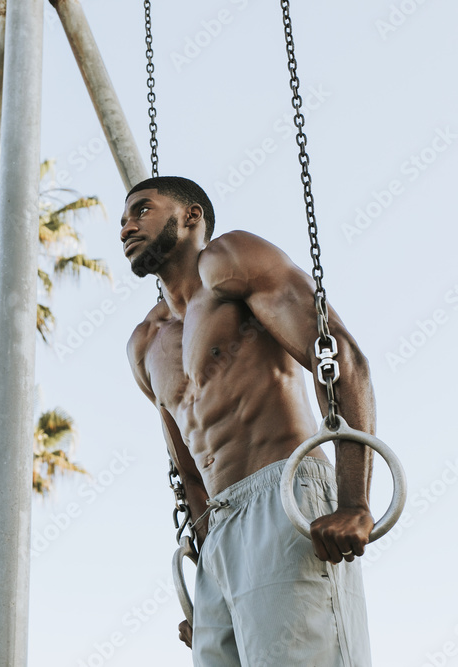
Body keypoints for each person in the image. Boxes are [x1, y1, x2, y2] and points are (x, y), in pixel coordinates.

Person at [121, 176, 375, 666]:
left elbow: (338, 357)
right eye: (124, 219)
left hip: (285, 495)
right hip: (218, 529)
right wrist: (209, 577)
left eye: (142, 211)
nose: (127, 227)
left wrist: (355, 502)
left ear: (191, 216)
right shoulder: (145, 343)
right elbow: (188, 468)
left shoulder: (229, 260)